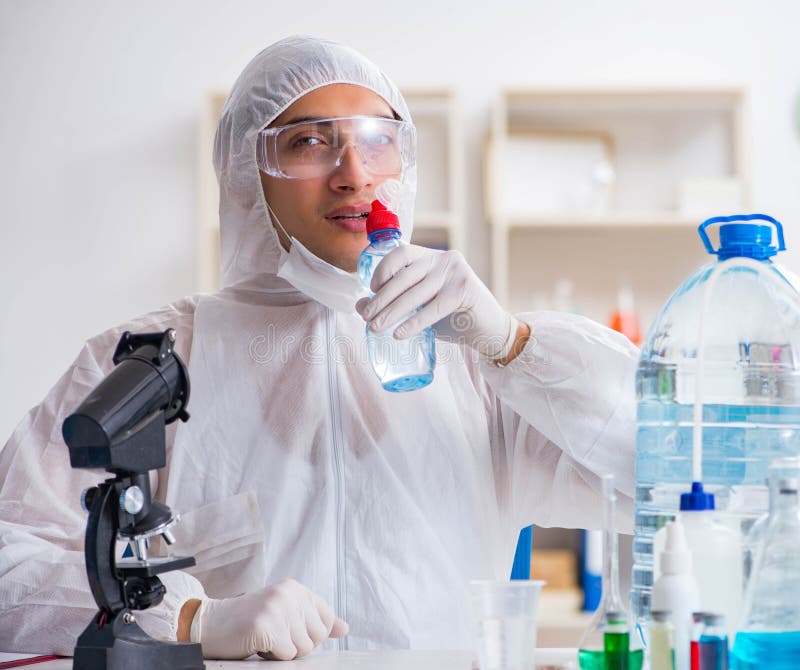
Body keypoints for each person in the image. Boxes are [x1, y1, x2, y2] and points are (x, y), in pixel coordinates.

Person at [0, 35, 639, 660]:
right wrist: (189, 616)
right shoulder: (156, 361)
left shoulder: (476, 360)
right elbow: (10, 563)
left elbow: (671, 478)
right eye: (310, 142)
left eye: (377, 140)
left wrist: (513, 345)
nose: (354, 175)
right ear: (250, 172)